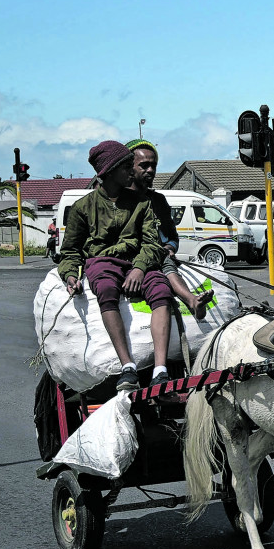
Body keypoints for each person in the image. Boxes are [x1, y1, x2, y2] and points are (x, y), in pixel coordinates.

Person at [57, 140, 173, 392]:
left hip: (138, 261)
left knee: (162, 290)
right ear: (108, 172)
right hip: (102, 262)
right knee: (106, 288)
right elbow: (70, 252)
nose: (131, 172)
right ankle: (128, 366)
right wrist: (70, 276)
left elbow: (153, 243)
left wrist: (140, 268)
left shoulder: (142, 203)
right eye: (125, 167)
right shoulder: (82, 208)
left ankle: (160, 370)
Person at [127, 141, 216, 324]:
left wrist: (169, 246)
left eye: (153, 166)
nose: (150, 170)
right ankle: (190, 299)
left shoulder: (158, 201)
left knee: (166, 261)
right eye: (144, 165)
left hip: (159, 256)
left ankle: (193, 301)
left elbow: (172, 236)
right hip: (132, 259)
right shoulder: (119, 201)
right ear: (129, 168)